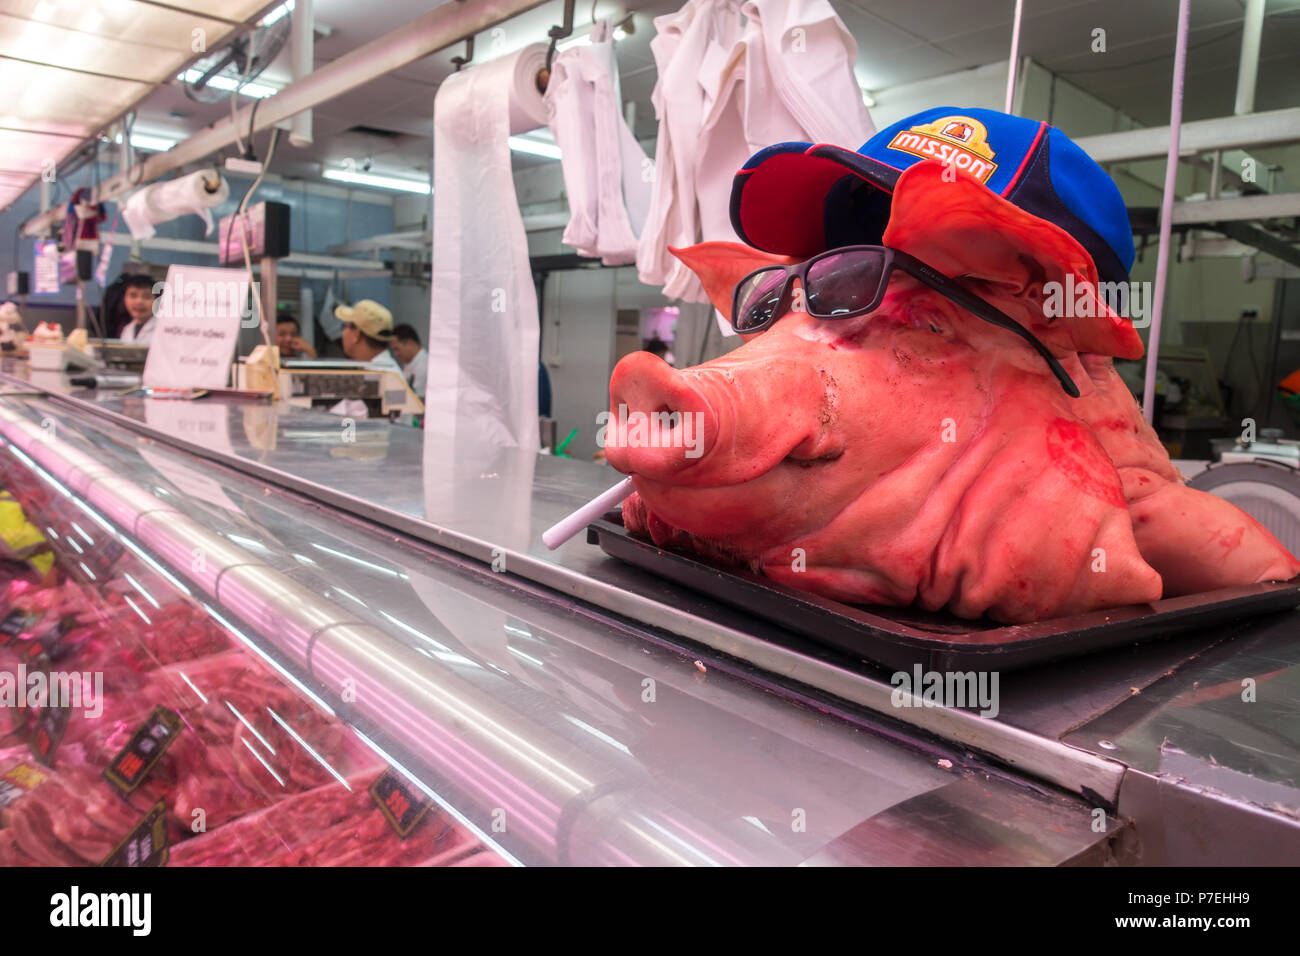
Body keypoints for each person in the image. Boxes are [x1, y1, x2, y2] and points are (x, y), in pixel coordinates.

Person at [334, 299, 401, 371]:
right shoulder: (379, 368)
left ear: (356, 334)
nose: (343, 332)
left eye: (344, 326)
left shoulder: (380, 374)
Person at [117, 274, 157, 344]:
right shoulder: (127, 329)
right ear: (124, 299)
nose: (139, 302)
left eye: (147, 297)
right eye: (133, 296)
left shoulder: (164, 329)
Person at [390, 323, 428, 399]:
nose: (396, 354)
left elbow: (417, 400)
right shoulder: (409, 363)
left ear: (410, 343)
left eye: (397, 349)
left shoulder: (424, 367)